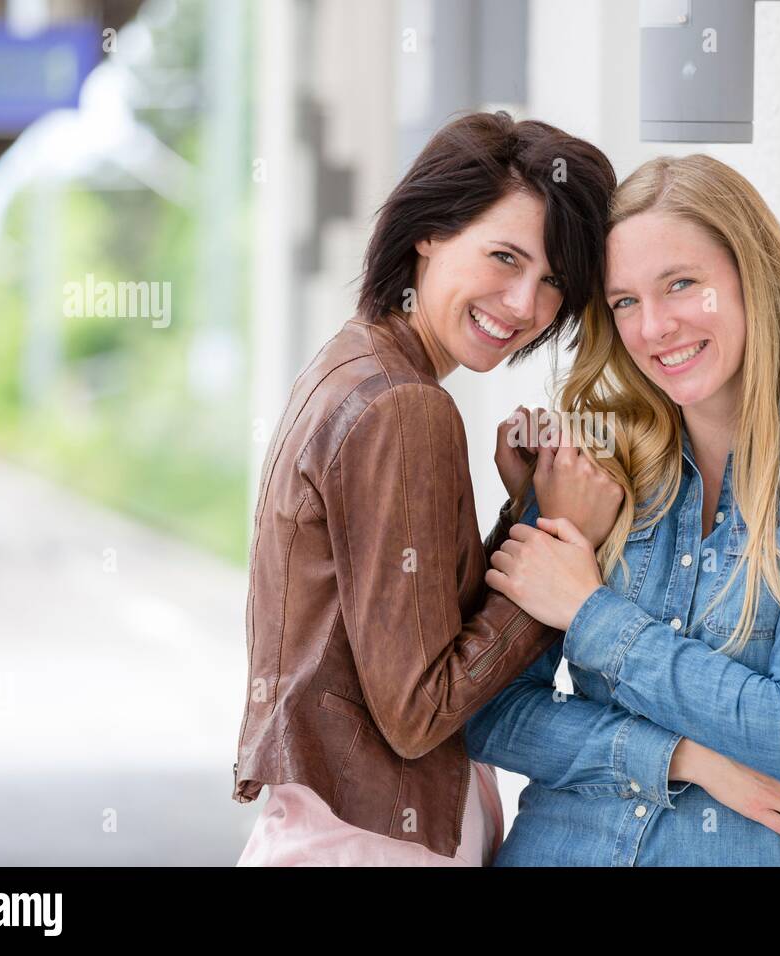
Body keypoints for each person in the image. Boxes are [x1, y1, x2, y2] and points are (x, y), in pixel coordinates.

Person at [467, 154, 780, 866]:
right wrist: (681, 757)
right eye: (625, 302)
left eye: (682, 285)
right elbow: (489, 712)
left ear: (751, 277)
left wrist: (589, 612)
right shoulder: (594, 463)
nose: (656, 328)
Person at [231, 111, 619, 866]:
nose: (522, 305)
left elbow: (410, 638)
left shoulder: (354, 366)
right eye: (503, 257)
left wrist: (521, 514)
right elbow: (417, 711)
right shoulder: (407, 406)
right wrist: (559, 539)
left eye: (552, 283)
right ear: (430, 232)